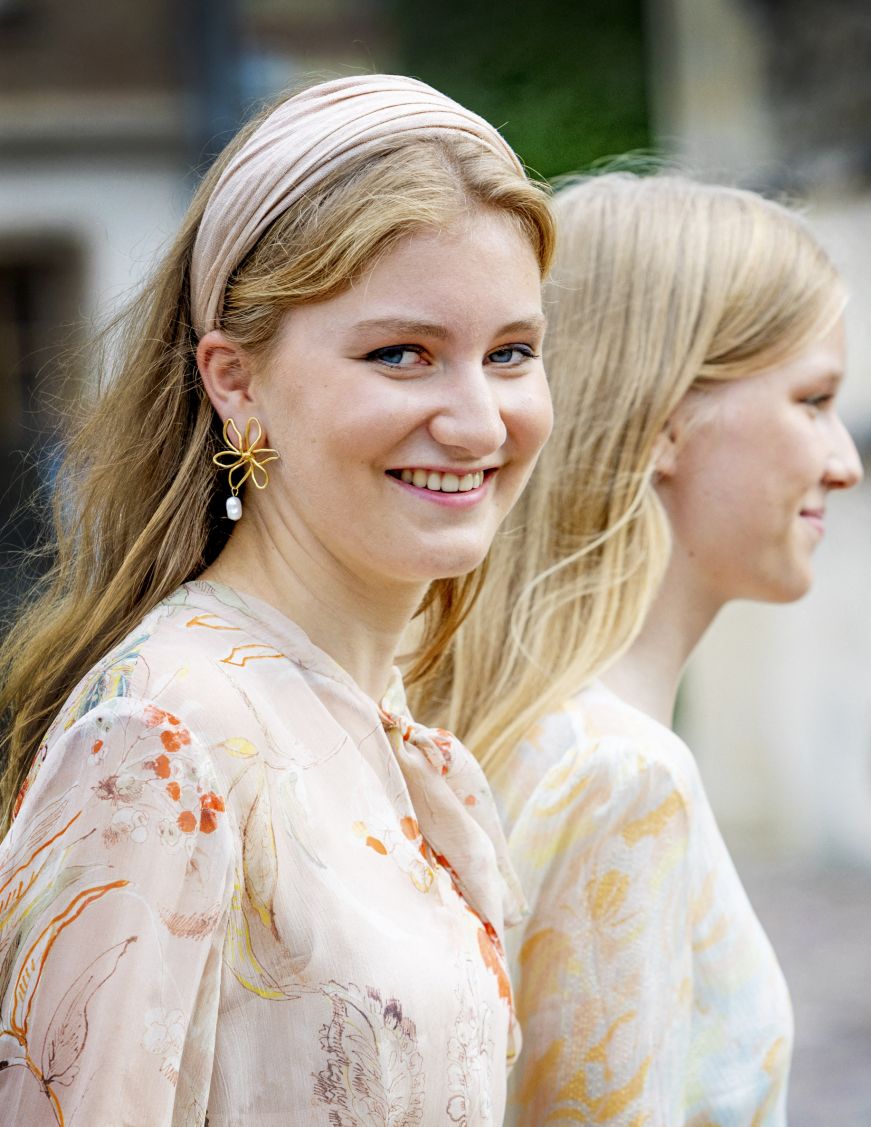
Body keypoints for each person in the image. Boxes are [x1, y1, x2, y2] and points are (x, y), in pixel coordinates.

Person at [0, 75, 555, 1126]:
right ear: (236, 381)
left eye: (510, 353)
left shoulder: (376, 717)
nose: (480, 422)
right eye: (402, 354)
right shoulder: (163, 737)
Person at [411, 172, 864, 1125]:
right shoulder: (618, 772)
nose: (845, 460)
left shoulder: (496, 724)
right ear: (666, 422)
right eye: (814, 400)